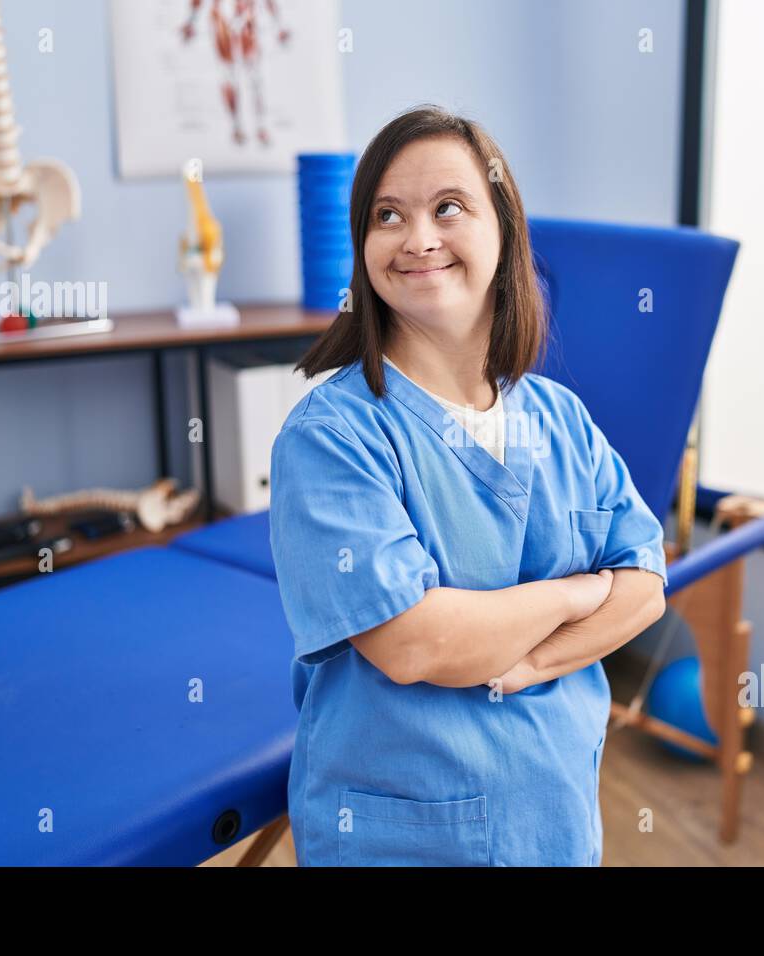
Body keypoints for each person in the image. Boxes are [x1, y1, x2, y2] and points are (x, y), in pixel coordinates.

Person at [270, 105, 668, 866]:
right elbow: (413, 642)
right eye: (388, 215)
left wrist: (532, 660)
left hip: (554, 830)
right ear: (363, 248)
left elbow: (646, 586)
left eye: (448, 207)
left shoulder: (560, 419)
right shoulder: (334, 436)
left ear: (504, 233)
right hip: (406, 839)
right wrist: (577, 594)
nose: (418, 237)